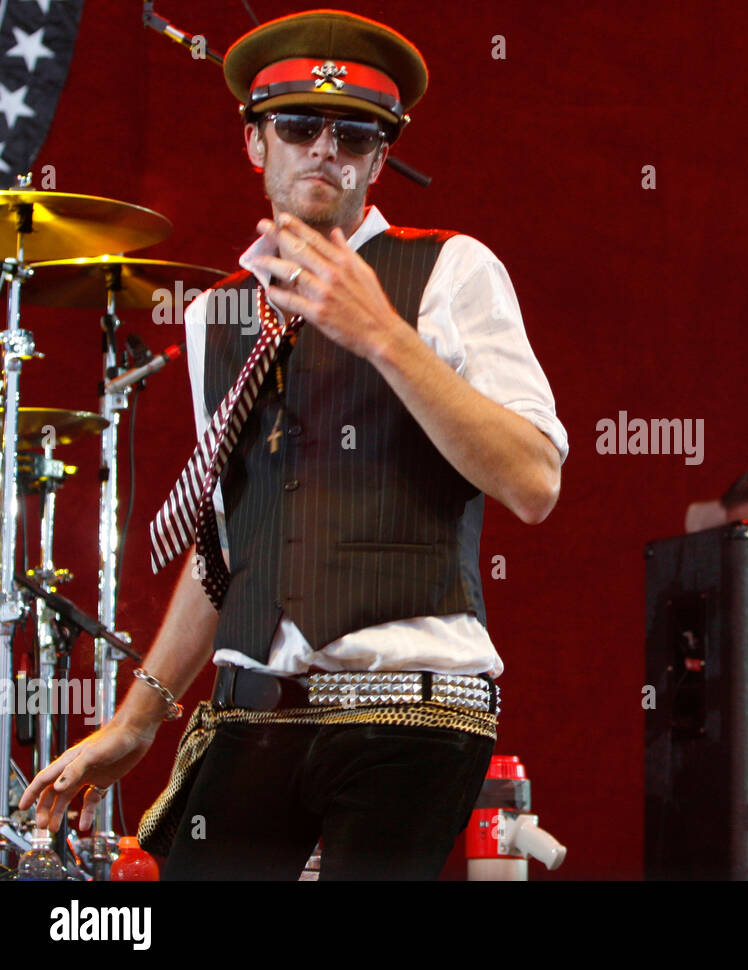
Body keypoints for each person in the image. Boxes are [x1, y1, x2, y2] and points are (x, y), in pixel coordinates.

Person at [20, 9, 566, 880]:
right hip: (255, 714)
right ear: (255, 144)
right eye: (299, 126)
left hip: (412, 707)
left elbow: (534, 481)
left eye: (356, 135)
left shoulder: (453, 270)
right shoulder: (217, 316)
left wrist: (384, 334)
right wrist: (134, 722)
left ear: (380, 161)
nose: (326, 149)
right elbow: (228, 549)